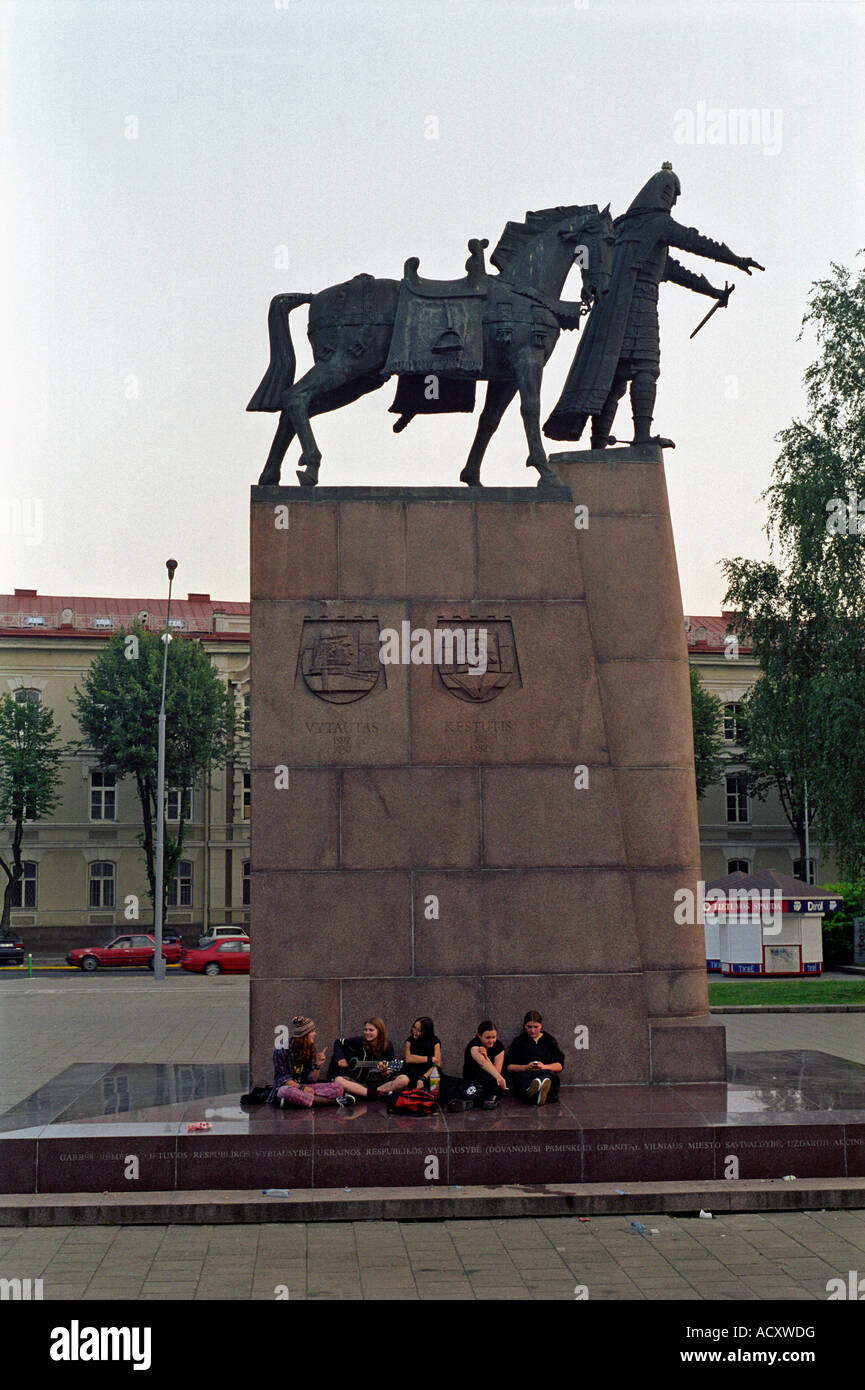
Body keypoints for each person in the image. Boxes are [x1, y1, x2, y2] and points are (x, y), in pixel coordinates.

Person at [544, 163, 763, 450]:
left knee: (615, 375)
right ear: (661, 193)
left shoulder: (622, 228)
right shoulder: (657, 223)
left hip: (609, 314)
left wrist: (711, 291)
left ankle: (598, 443)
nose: (673, 201)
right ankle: (642, 435)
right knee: (645, 368)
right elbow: (697, 243)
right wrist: (736, 259)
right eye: (672, 193)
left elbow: (671, 269)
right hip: (639, 307)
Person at [269, 1016, 350, 1108]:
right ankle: (334, 1102)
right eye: (312, 1031)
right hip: (290, 1088)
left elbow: (312, 1079)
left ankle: (296, 1101)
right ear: (304, 1034)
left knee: (337, 1087)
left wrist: (317, 1066)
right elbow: (284, 1080)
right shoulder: (282, 1050)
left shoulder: (309, 1048)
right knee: (284, 1092)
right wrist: (302, 1088)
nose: (315, 1034)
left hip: (306, 1087)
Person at [504, 1010, 564, 1105]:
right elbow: (509, 1066)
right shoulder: (518, 1041)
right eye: (529, 1027)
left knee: (547, 1077)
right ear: (524, 1026)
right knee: (524, 1079)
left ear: (541, 1025)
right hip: (526, 1073)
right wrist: (526, 1067)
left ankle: (538, 1089)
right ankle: (535, 1089)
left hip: (545, 1071)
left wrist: (544, 1066)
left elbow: (559, 1065)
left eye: (536, 1027)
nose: (532, 1030)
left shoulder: (549, 1040)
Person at [330, 1017, 396, 1101]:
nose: (367, 1033)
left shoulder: (387, 1046)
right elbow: (338, 1042)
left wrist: (385, 1072)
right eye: (365, 1030)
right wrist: (340, 1058)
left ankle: (360, 1094)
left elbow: (389, 1075)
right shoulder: (360, 1041)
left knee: (404, 1079)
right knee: (338, 1080)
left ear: (379, 1031)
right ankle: (374, 1094)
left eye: (371, 1030)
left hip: (375, 1083)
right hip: (356, 1081)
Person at [378, 1016, 442, 1100]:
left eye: (419, 1030)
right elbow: (409, 1058)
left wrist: (423, 1078)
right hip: (411, 1073)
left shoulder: (435, 1042)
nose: (414, 1032)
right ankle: (373, 1092)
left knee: (433, 1090)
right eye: (414, 1028)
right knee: (402, 1080)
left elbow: (437, 1064)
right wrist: (429, 1059)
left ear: (426, 1032)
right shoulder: (410, 1041)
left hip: (428, 1074)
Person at [461, 1019, 508, 1109]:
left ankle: (482, 1100)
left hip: (488, 1080)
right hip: (473, 1079)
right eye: (487, 1038)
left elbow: (495, 1072)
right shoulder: (474, 1045)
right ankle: (473, 1101)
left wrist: (486, 1057)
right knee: (472, 1090)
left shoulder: (498, 1046)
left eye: (493, 1037)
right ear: (479, 1035)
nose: (491, 1041)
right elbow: (482, 1063)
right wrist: (499, 1077)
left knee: (495, 1088)